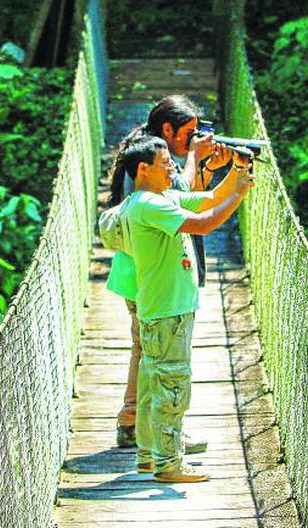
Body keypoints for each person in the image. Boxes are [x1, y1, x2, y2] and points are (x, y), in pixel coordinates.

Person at [121, 135, 252, 482]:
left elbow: (209, 198)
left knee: (153, 385)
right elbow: (205, 223)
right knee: (173, 386)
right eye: (166, 165)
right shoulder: (149, 203)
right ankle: (169, 464)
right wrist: (239, 193)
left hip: (164, 308)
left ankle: (149, 456)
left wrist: (236, 171)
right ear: (143, 169)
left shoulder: (160, 197)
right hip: (168, 312)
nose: (173, 170)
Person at [106, 95, 230, 448]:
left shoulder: (145, 151)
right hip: (147, 274)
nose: (191, 140)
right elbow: (177, 198)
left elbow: (186, 198)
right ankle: (150, 429)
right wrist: (195, 159)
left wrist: (207, 166)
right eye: (188, 133)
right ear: (166, 129)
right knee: (156, 354)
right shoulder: (148, 160)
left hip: (143, 271)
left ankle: (136, 424)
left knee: (147, 349)